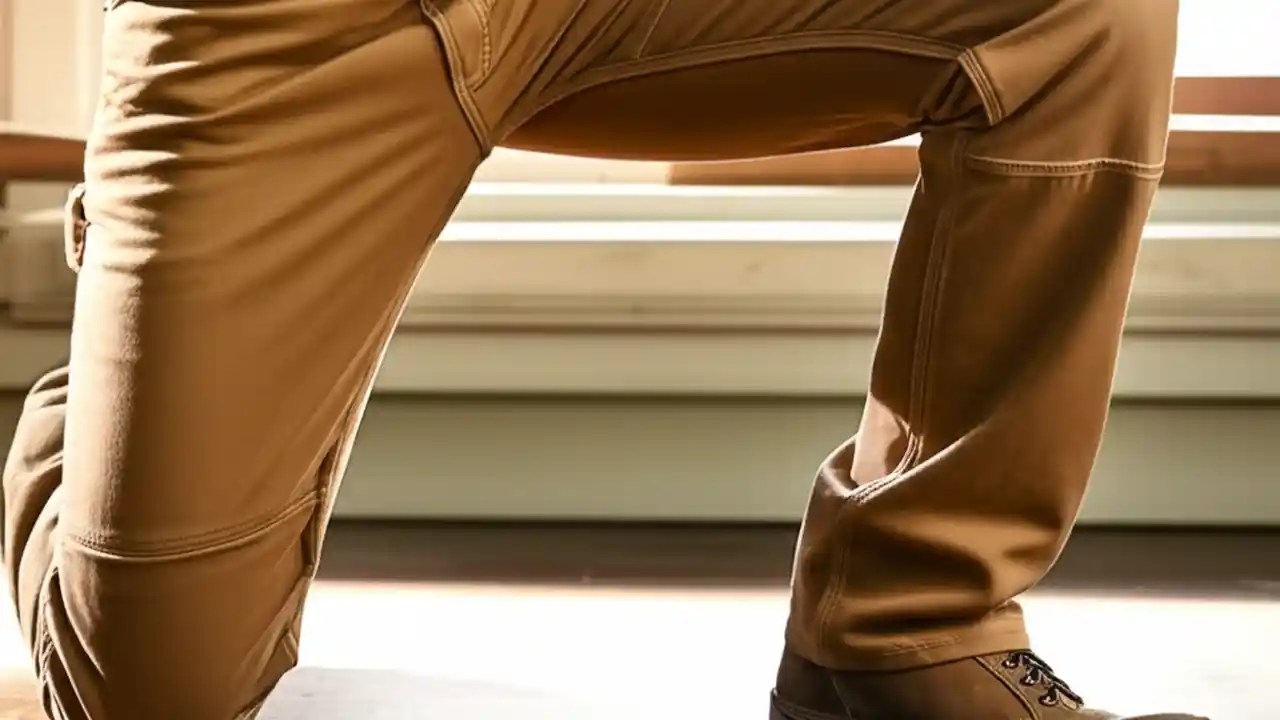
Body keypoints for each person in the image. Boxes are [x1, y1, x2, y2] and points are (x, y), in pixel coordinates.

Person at [1, 0, 1204, 718]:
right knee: (152, 700)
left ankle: (906, 627)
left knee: (1074, 13)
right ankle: (106, 404)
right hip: (291, 25)